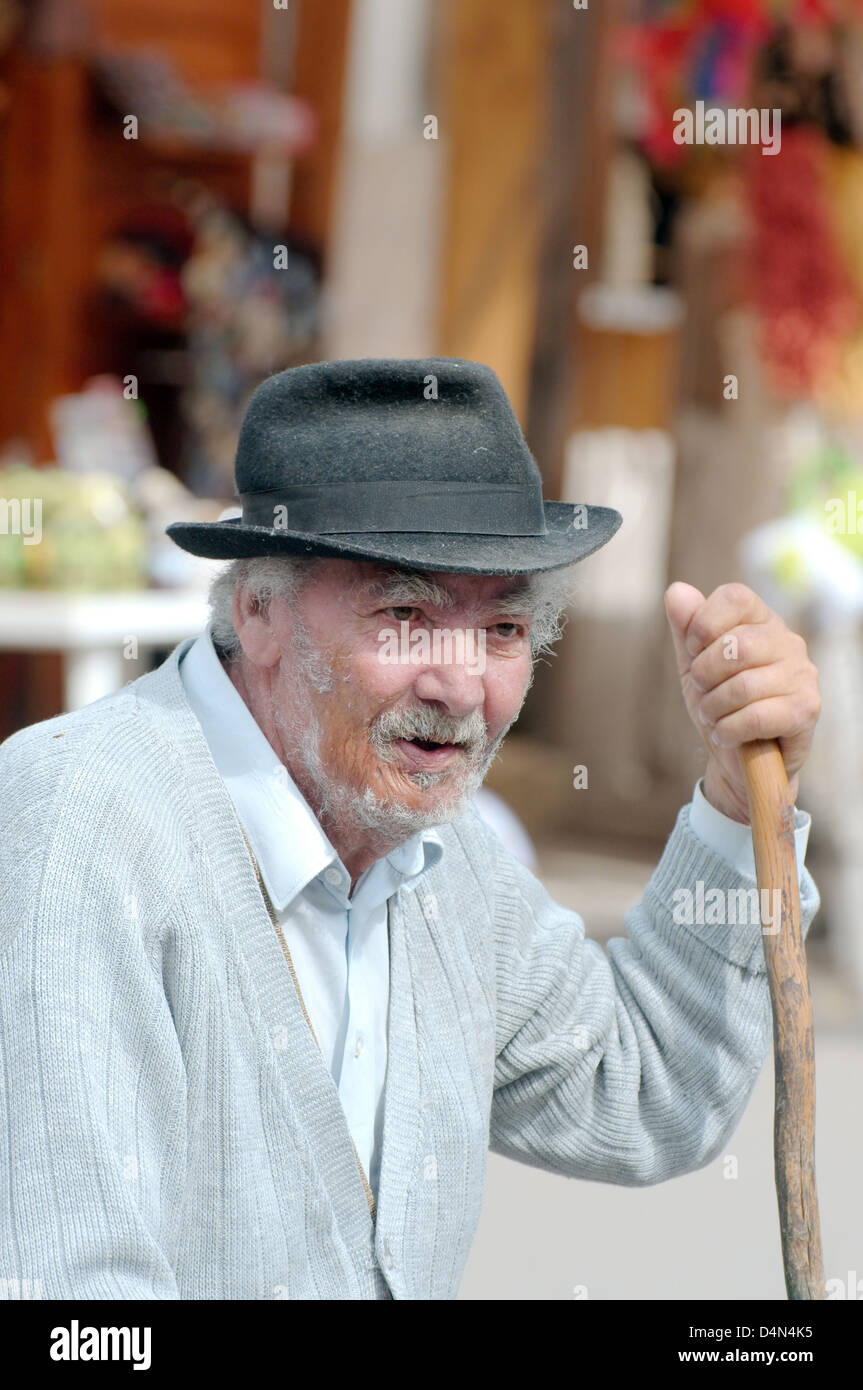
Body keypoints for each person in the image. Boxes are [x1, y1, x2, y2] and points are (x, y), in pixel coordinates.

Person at [0, 358, 821, 1300]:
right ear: (258, 609)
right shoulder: (82, 820)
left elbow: (642, 1096)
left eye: (502, 631)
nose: (460, 686)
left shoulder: (440, 850)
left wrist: (736, 793)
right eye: (403, 617)